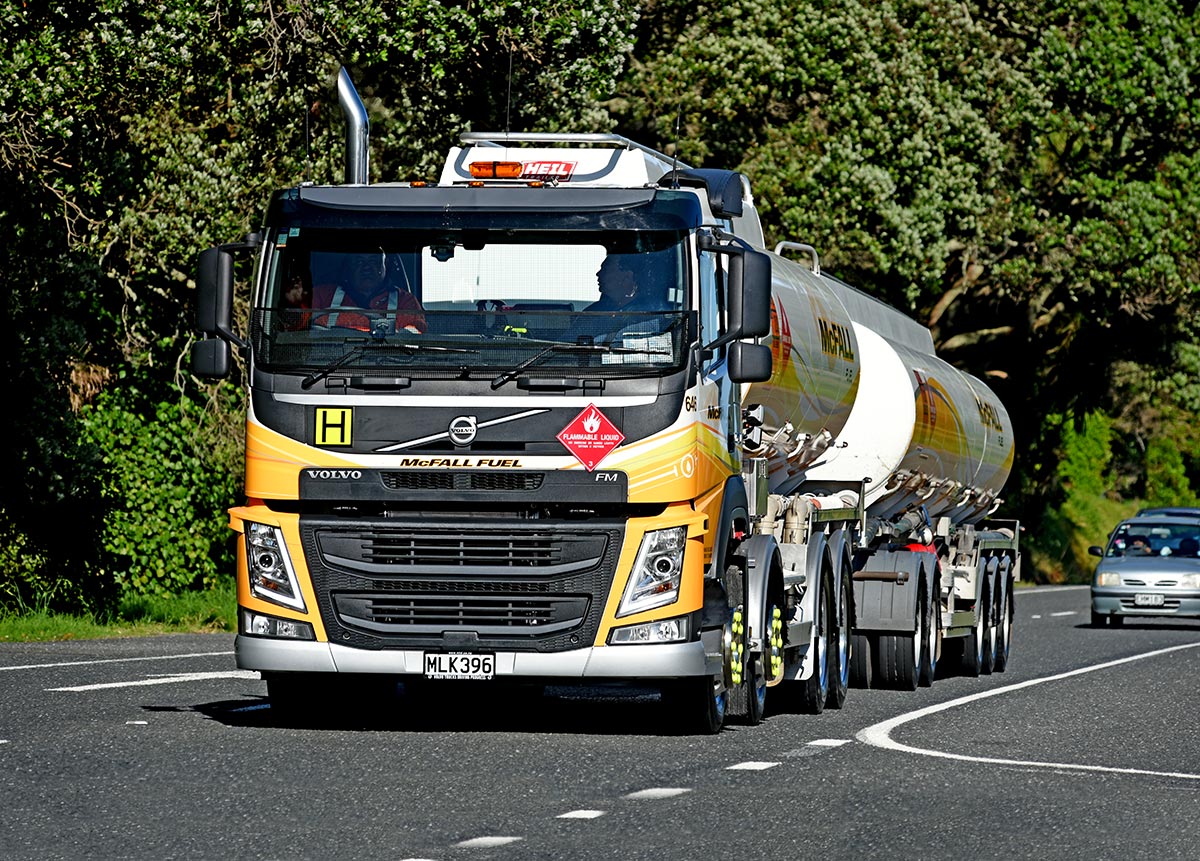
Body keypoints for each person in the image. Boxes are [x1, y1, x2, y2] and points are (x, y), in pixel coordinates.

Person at [310, 251, 425, 333]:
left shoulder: (405, 301)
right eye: (359, 262)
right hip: (326, 364)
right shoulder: (321, 295)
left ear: (385, 265)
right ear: (349, 267)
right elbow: (298, 325)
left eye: (374, 261)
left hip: (387, 363)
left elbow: (415, 334)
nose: (366, 268)